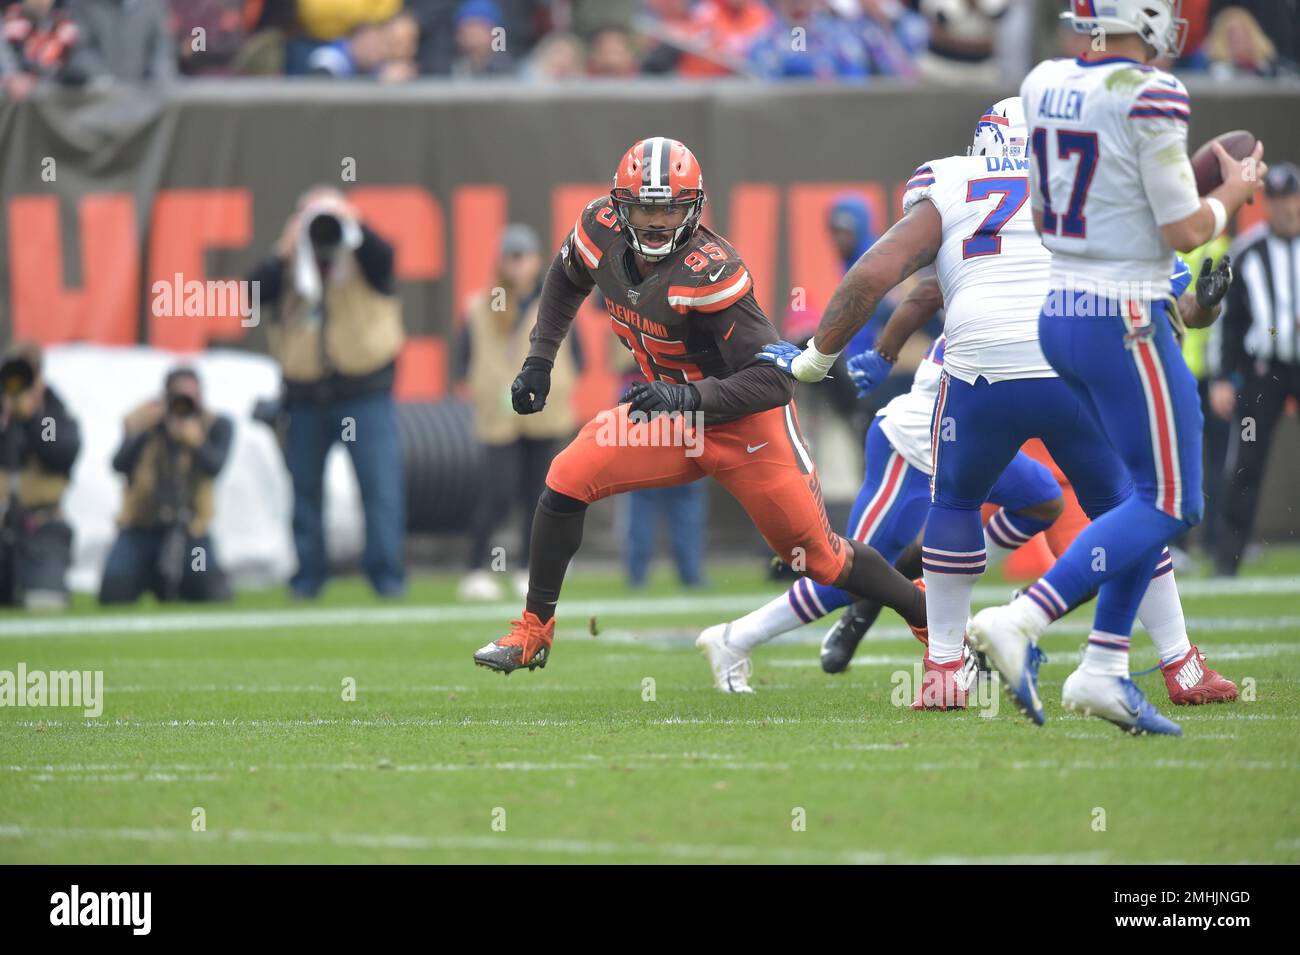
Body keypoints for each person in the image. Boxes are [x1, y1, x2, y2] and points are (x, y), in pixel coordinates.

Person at [758, 94, 1238, 726]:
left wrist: (815, 361)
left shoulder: (951, 180)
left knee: (954, 504)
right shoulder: (1087, 190)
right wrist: (1207, 296)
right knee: (1129, 510)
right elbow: (1181, 297)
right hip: (1070, 368)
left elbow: (875, 274)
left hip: (980, 375)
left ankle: (945, 672)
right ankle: (1180, 664)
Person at [472, 137, 929, 676]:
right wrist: (540, 359)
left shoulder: (710, 272)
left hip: (745, 426)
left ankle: (930, 618)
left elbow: (774, 383)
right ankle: (534, 631)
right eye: (645, 207)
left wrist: (686, 395)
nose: (657, 222)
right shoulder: (598, 228)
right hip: (669, 417)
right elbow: (567, 275)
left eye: (669, 209)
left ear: (692, 209)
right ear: (620, 206)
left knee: (821, 558)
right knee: (568, 476)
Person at [966, 1, 1263, 733]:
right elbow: (1187, 227)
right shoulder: (1151, 91)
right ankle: (1023, 618)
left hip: (1062, 312)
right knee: (1172, 504)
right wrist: (1235, 187)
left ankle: (1102, 667)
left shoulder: (1042, 81)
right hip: (1123, 317)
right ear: (1147, 18)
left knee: (1136, 499)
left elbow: (1065, 206)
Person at [701, 323, 1065, 695]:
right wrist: (884, 352)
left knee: (1040, 500)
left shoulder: (1027, 300)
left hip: (974, 442)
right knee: (844, 571)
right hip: (915, 446)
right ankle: (735, 638)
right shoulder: (1016, 306)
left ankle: (934, 584)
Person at [248, 187, 406, 598]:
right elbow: (249, 295)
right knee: (304, 494)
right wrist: (284, 251)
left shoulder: (363, 254)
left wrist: (352, 223)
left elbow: (386, 259)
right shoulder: (288, 264)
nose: (321, 229)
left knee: (379, 489)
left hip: (364, 392)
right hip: (304, 397)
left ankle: (386, 576)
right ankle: (308, 577)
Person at [456, 224, 580, 601]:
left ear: (536, 260)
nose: (518, 266)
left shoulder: (555, 302)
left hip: (546, 412)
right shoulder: (481, 306)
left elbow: (579, 359)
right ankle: (479, 567)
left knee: (539, 494)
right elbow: (463, 361)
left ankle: (530, 568)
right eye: (512, 257)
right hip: (499, 413)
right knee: (498, 492)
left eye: (524, 257)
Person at [1212, 161, 1300, 575]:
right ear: (1266, 203)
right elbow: (1226, 322)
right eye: (1277, 199)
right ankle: (1228, 557)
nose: (1285, 208)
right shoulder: (1247, 249)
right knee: (1247, 461)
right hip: (1263, 371)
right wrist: (1221, 378)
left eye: (1291, 198)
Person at [99, 367, 233, 605]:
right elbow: (118, 464)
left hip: (191, 531)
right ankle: (150, 578)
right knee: (113, 593)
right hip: (141, 529)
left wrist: (196, 442)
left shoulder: (214, 424)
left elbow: (215, 467)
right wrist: (146, 430)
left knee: (208, 590)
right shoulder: (143, 421)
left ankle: (182, 581)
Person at [0, 342, 80, 610]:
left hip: (41, 525)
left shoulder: (51, 414)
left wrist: (31, 417)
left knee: (44, 602)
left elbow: (57, 452)